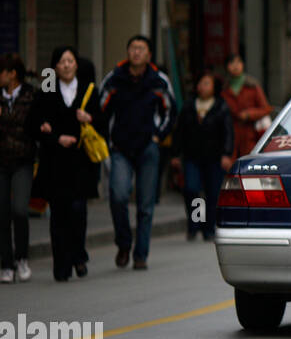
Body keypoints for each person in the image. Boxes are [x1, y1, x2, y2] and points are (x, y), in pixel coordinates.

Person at [27, 47, 106, 281]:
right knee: (58, 214)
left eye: (70, 61)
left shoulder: (89, 90)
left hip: (81, 162)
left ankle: (78, 255)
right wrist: (53, 136)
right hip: (55, 162)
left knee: (78, 210)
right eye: (62, 61)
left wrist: (88, 118)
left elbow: (102, 122)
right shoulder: (47, 91)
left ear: (76, 65)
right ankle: (61, 265)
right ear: (55, 67)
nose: (67, 65)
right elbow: (33, 124)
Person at [100, 34, 177, 270]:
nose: (136, 52)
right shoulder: (114, 79)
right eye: (132, 48)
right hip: (120, 148)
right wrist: (107, 140)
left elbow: (171, 111)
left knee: (145, 204)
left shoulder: (159, 81)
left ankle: (140, 254)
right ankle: (124, 242)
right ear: (127, 52)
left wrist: (158, 136)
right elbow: (100, 109)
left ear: (149, 54)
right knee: (118, 195)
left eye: (141, 48)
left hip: (148, 148)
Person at [173, 72, 235, 241]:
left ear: (214, 87)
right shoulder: (189, 105)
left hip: (214, 157)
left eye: (207, 83)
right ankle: (194, 224)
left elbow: (228, 132)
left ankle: (208, 228)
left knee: (212, 194)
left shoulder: (221, 106)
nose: (203, 86)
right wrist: (176, 154)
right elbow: (180, 132)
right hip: (192, 156)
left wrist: (227, 154)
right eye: (201, 83)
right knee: (192, 190)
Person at [0, 54, 36, 283]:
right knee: (2, 214)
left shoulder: (31, 94)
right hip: (1, 162)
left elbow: (50, 97)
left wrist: (46, 72)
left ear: (12, 74)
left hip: (23, 160)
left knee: (20, 210)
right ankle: (7, 263)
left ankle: (22, 257)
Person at [221, 52, 273, 158]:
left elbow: (266, 108)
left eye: (238, 62)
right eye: (232, 63)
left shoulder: (252, 85)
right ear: (227, 66)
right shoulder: (224, 89)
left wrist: (249, 114)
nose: (235, 66)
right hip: (231, 138)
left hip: (251, 135)